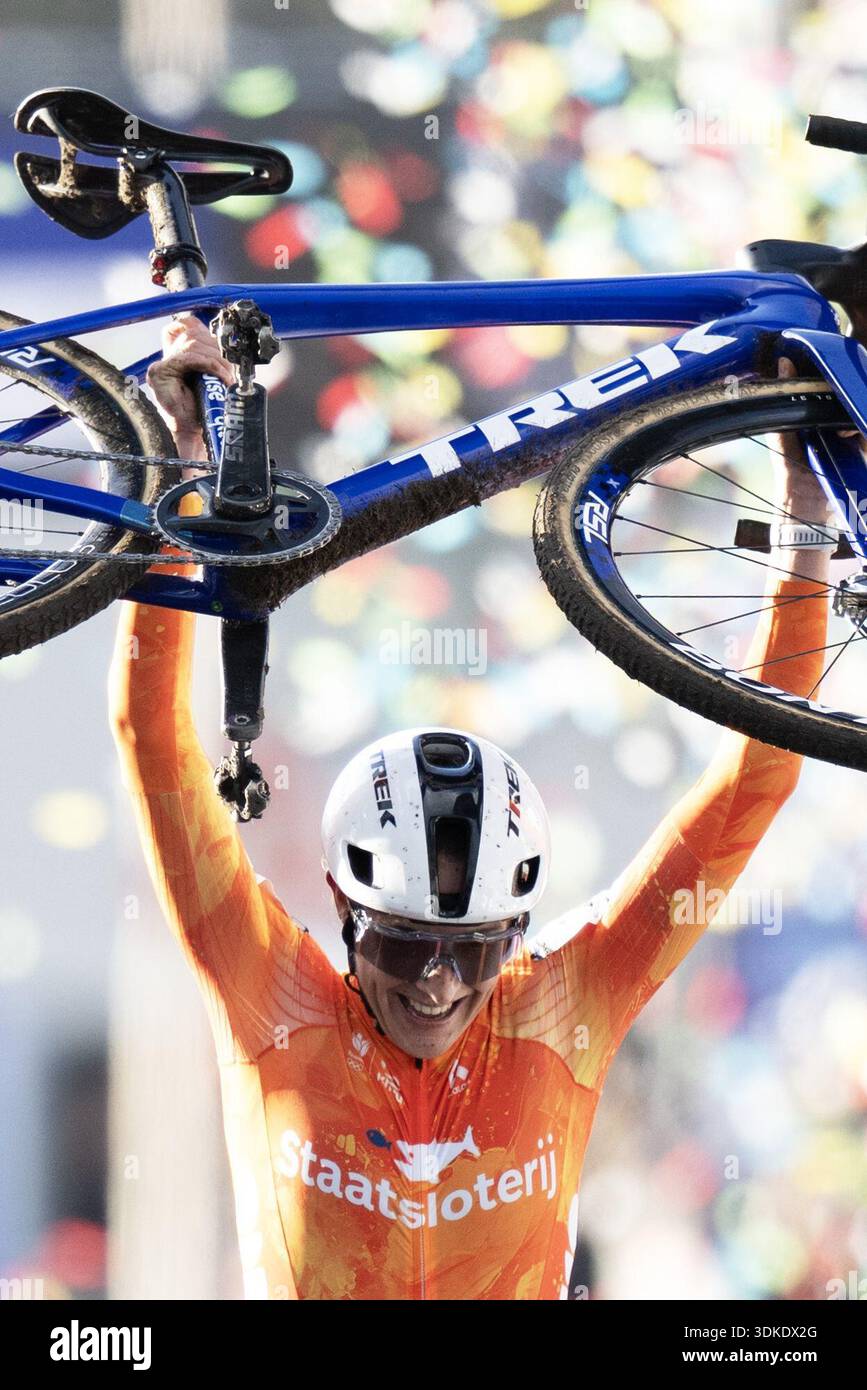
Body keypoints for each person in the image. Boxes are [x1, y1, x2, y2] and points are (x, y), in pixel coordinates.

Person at [108, 315, 835, 1300]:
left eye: (480, 946)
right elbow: (153, 741)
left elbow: (759, 774)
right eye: (406, 943)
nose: (442, 985)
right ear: (344, 909)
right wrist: (180, 476)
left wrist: (804, 501)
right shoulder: (266, 992)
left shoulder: (567, 1005)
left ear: (519, 932)